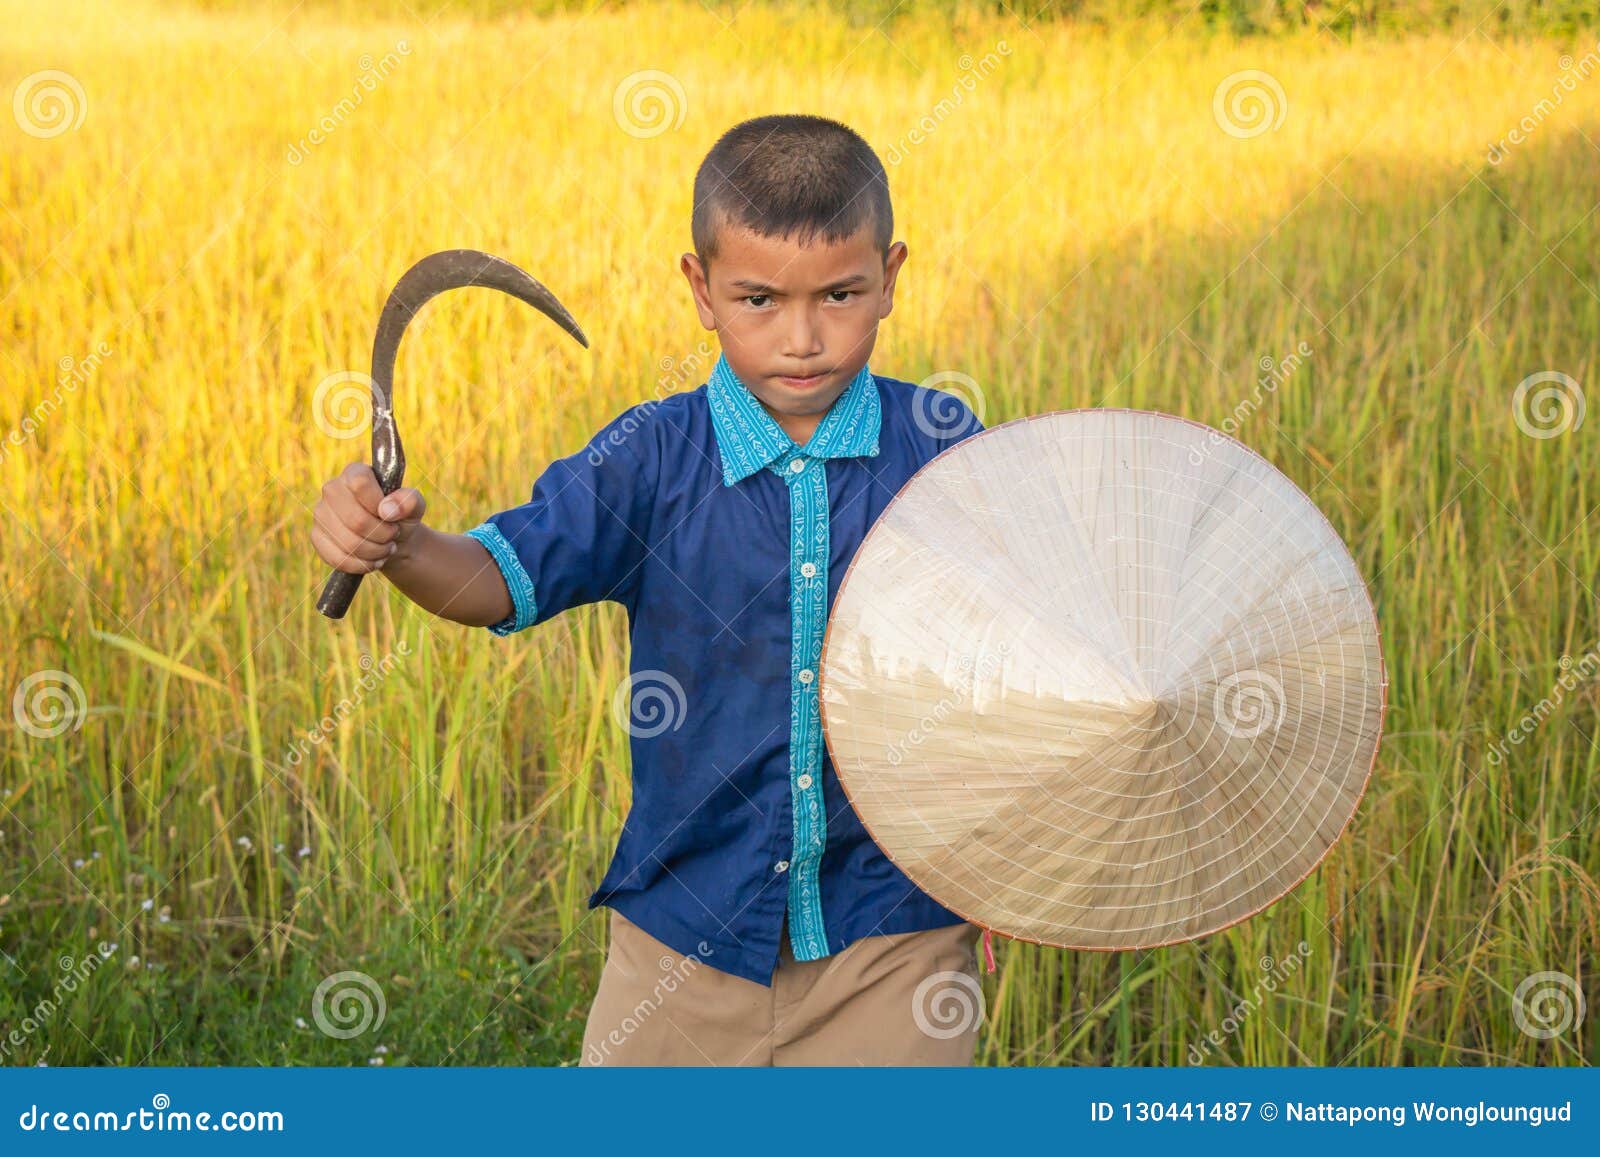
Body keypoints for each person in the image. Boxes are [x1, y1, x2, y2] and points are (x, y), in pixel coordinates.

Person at [310, 113, 990, 1065]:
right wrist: (398, 545)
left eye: (840, 293)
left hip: (895, 943)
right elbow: (499, 580)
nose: (802, 338)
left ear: (891, 275)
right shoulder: (650, 457)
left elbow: (1023, 664)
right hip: (681, 944)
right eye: (758, 299)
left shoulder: (950, 449)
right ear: (700, 288)